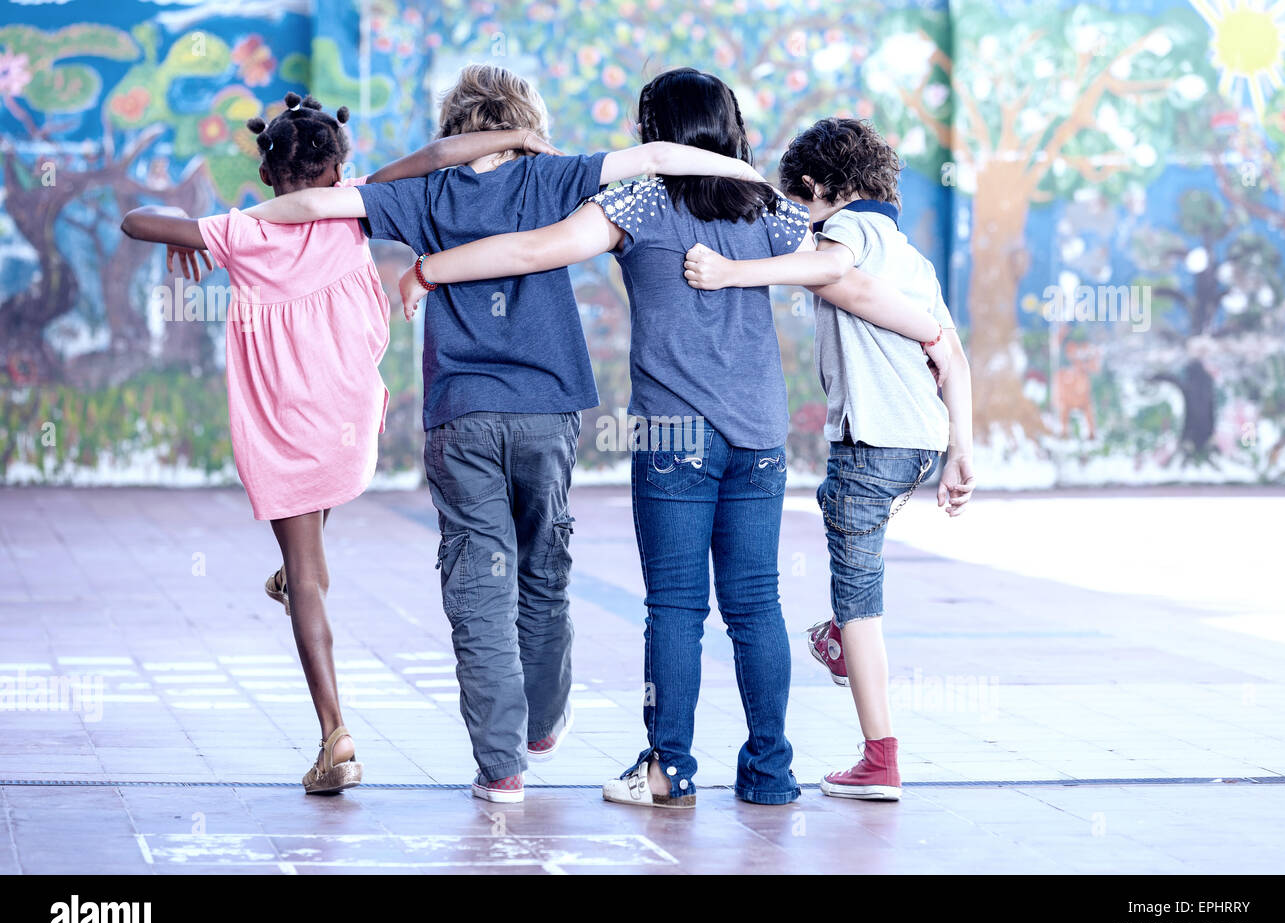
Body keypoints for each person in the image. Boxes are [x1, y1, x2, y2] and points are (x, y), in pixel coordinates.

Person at [400, 69, 948, 809]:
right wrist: (933, 333)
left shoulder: (640, 200)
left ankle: (669, 770)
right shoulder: (772, 210)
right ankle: (771, 771)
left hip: (673, 435)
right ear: (730, 129)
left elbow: (532, 252)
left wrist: (430, 269)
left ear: (655, 132)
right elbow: (841, 278)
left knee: (676, 608)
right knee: (757, 605)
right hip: (758, 433)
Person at [242, 65, 766, 803]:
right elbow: (655, 158)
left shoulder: (423, 193)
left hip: (462, 412)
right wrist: (743, 167)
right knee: (543, 564)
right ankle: (544, 722)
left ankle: (502, 768)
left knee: (477, 581)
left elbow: (316, 205)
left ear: (454, 125)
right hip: (547, 406)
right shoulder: (557, 176)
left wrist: (234, 228)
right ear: (525, 116)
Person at [120, 91, 553, 794]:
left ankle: (335, 736)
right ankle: (297, 578)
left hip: (285, 427)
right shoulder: (355, 204)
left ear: (267, 176)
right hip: (350, 418)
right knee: (308, 553)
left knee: (310, 579)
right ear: (338, 165)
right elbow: (440, 153)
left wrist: (184, 236)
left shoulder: (244, 231)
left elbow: (134, 220)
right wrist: (523, 137)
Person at [682, 117, 977, 802]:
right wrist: (962, 447)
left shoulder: (851, 231)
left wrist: (730, 272)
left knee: (860, 595)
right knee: (857, 580)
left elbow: (829, 267)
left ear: (816, 188)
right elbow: (950, 352)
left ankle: (879, 756)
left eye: (805, 205)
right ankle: (841, 637)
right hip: (918, 443)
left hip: (871, 440)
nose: (808, 222)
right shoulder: (909, 252)